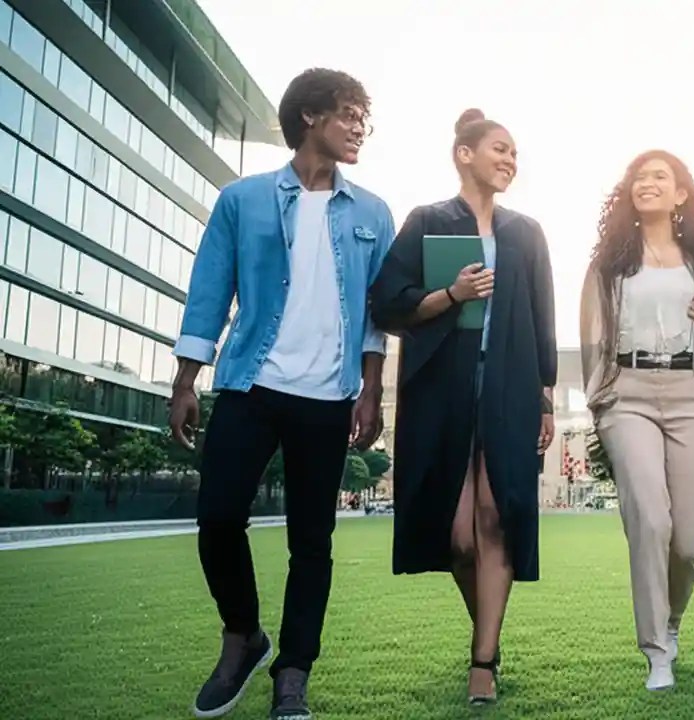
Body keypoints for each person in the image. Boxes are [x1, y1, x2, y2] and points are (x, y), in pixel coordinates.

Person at [169, 68, 394, 720]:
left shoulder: (374, 213)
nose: (359, 128)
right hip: (250, 383)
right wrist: (186, 379)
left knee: (311, 544)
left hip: (328, 398)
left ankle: (292, 672)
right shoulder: (243, 200)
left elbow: (378, 314)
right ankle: (242, 634)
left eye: (364, 118)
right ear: (308, 118)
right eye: (348, 114)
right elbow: (210, 290)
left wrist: (372, 389)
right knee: (216, 518)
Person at [369, 108, 557, 706]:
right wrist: (452, 294)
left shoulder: (525, 232)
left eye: (515, 154)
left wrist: (546, 395)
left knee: (498, 515)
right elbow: (389, 303)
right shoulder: (429, 220)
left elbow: (540, 318)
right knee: (457, 536)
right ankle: (488, 635)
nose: (509, 161)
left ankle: (484, 659)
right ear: (464, 154)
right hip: (440, 390)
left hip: (510, 388)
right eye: (500, 148)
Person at [579, 149, 694, 691]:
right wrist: (602, 397)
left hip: (691, 393)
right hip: (629, 395)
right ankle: (656, 652)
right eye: (638, 177)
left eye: (659, 177)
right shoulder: (610, 264)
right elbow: (593, 335)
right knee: (650, 520)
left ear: (680, 195)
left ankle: (671, 624)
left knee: (687, 540)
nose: (646, 183)